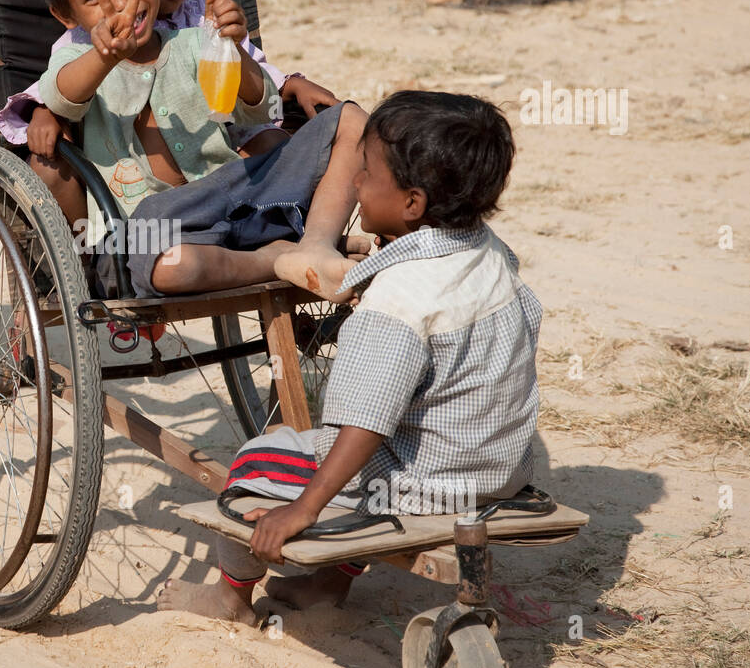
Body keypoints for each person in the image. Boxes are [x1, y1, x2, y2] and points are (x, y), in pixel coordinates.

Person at [158, 91, 541, 624]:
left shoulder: (399, 299)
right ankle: (326, 585)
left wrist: (304, 508)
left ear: (412, 203)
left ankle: (231, 600)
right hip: (501, 469)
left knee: (254, 460)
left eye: (366, 172)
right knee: (382, 444)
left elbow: (364, 425)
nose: (355, 182)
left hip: (425, 483)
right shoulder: (493, 253)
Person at [20, 0, 369, 301]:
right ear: (64, 13)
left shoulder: (190, 42)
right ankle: (278, 259)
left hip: (232, 199)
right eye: (94, 0)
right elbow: (60, 96)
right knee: (175, 267)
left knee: (350, 120)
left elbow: (260, 110)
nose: (119, 5)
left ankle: (316, 243)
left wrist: (232, 46)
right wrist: (107, 56)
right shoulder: (78, 58)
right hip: (149, 232)